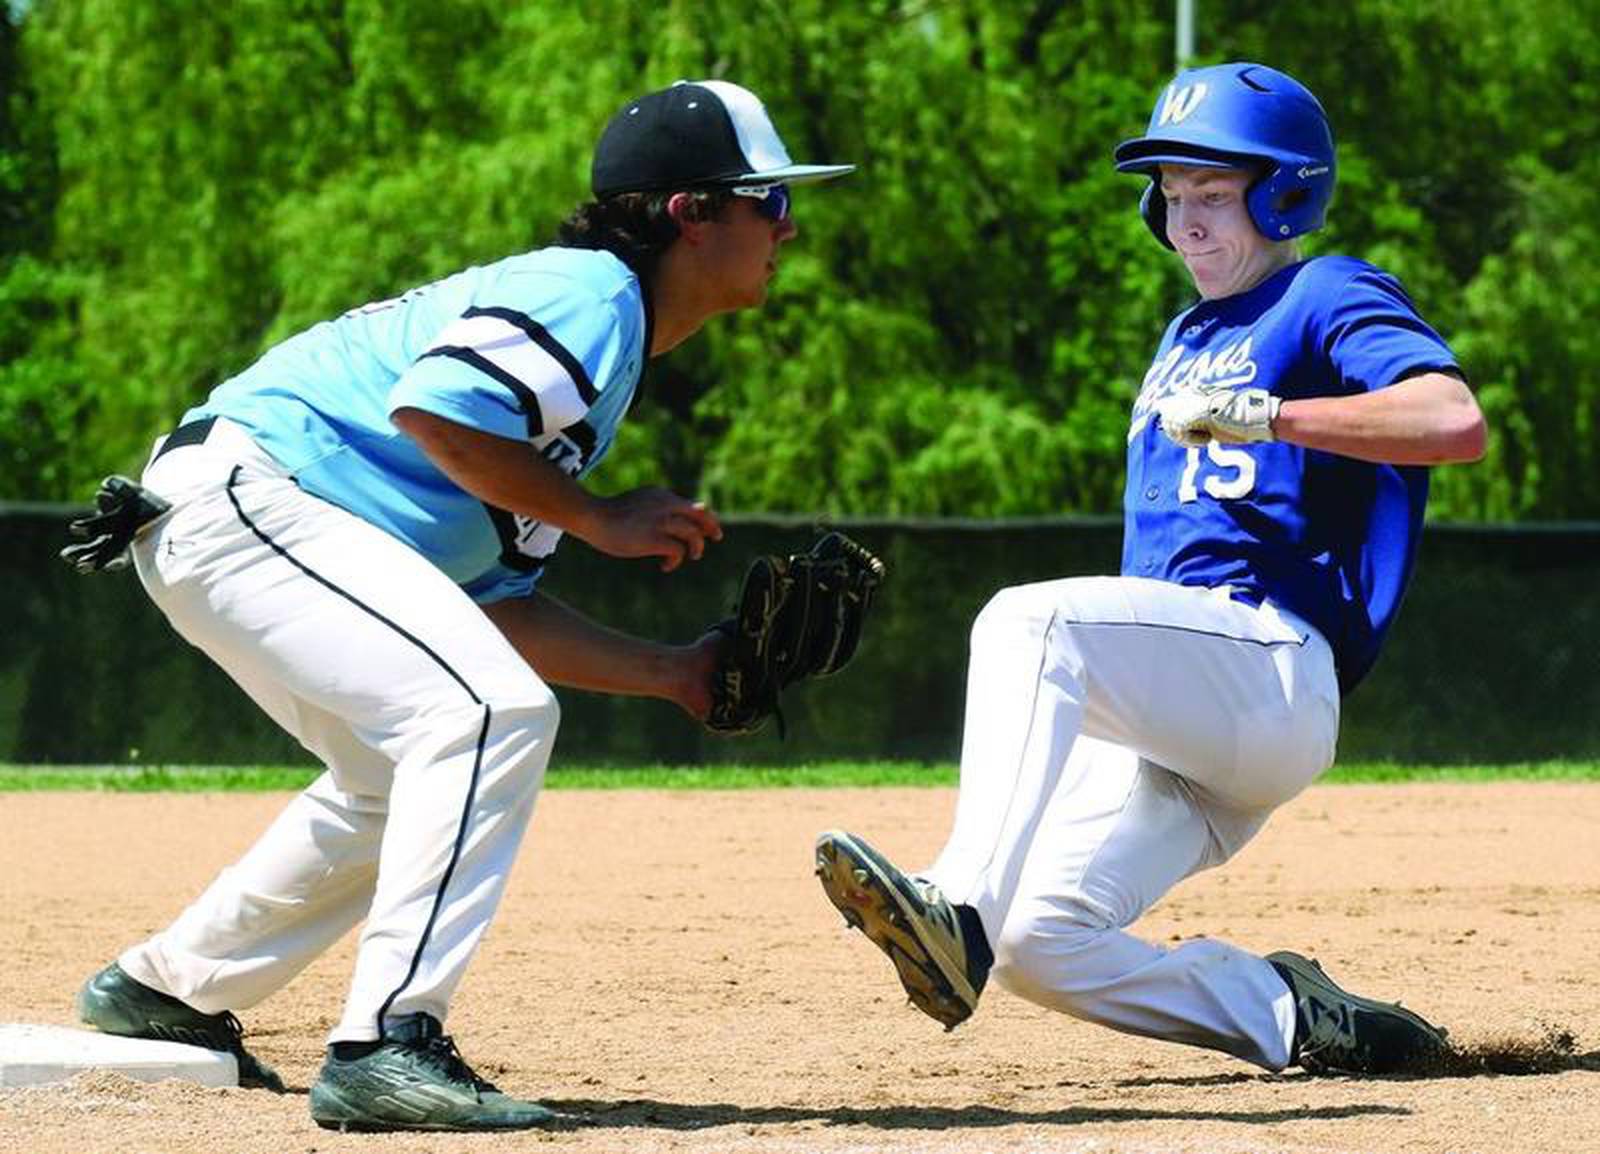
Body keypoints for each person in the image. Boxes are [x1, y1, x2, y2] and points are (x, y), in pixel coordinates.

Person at [70, 79, 853, 1131]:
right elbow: (433, 406)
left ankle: (168, 987)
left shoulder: (597, 352)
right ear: (690, 210)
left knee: (404, 766)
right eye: (769, 199)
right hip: (254, 497)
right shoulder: (593, 290)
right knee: (484, 713)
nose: (788, 225)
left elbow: (491, 606)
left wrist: (674, 671)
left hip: (238, 519)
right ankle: (387, 1042)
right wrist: (598, 516)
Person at [815, 62, 1485, 1076]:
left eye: (1214, 195)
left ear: (1285, 191)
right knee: (1042, 938)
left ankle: (956, 901)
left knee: (1025, 621)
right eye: (1170, 197)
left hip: (1268, 667)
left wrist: (1276, 413)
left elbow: (1453, 418)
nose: (1187, 224)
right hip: (1183, 713)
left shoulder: (1323, 289)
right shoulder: (1183, 334)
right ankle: (1288, 1015)